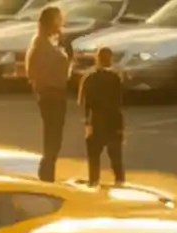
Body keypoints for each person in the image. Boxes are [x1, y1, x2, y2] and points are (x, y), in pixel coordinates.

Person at [25, 6, 69, 182]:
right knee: (53, 138)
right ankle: (46, 175)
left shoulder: (49, 42)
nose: (62, 22)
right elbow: (36, 71)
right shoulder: (41, 43)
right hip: (51, 94)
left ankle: (48, 173)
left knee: (54, 138)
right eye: (59, 19)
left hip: (54, 93)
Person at [78, 46, 124, 186]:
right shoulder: (115, 78)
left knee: (94, 156)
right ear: (110, 59)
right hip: (113, 121)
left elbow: (85, 104)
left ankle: (94, 181)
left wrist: (87, 123)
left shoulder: (89, 78)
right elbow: (119, 103)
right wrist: (120, 127)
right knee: (115, 155)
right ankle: (119, 180)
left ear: (97, 59)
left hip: (96, 120)